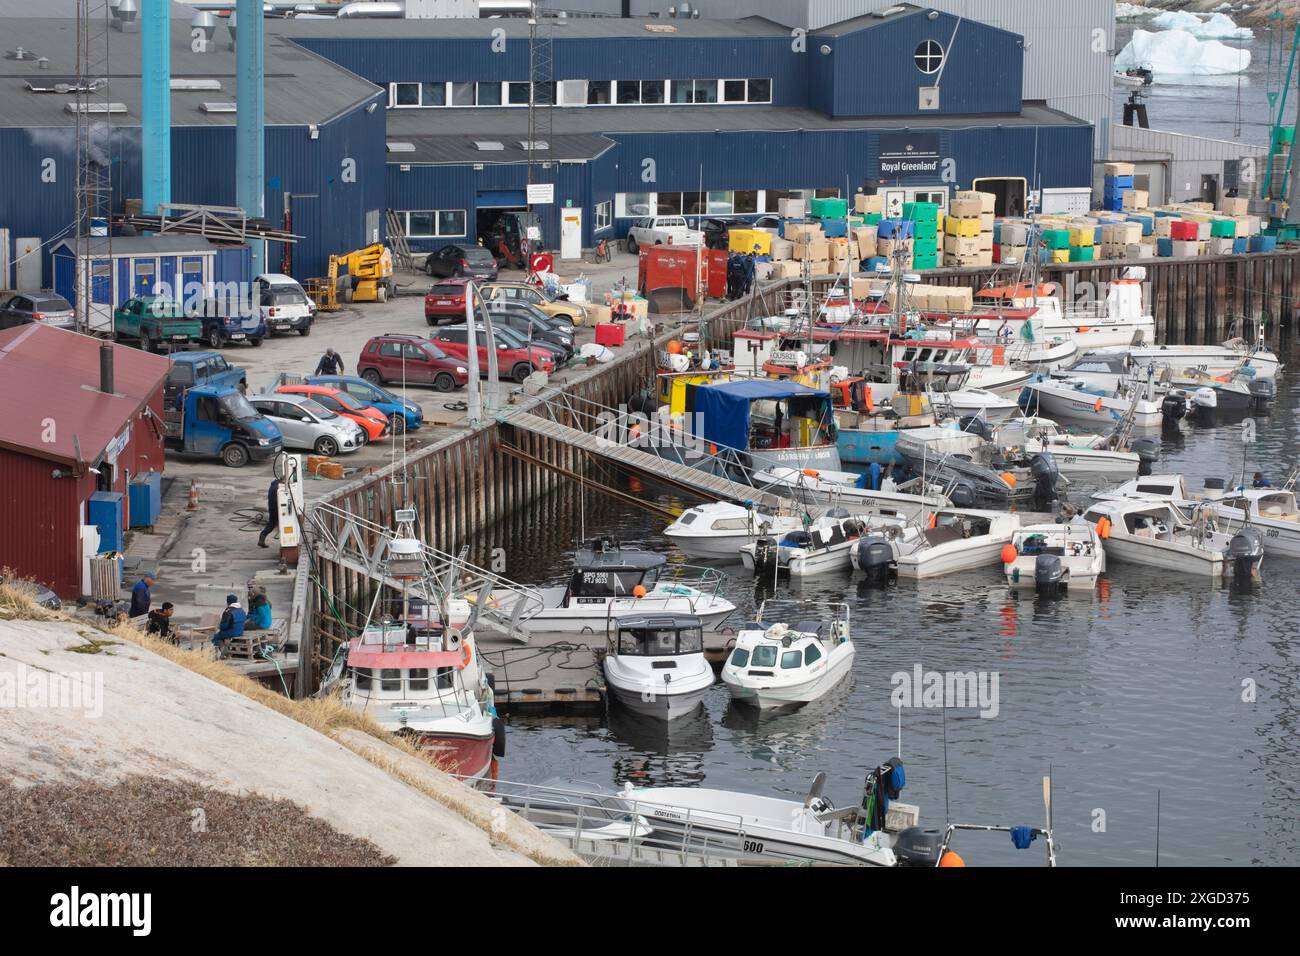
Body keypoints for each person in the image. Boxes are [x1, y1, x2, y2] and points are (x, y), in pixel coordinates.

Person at [258, 477, 282, 549]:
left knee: (271, 524)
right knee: (274, 524)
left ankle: (262, 539)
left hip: (272, 508)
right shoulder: (277, 487)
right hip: (275, 509)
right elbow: (276, 500)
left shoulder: (274, 484)